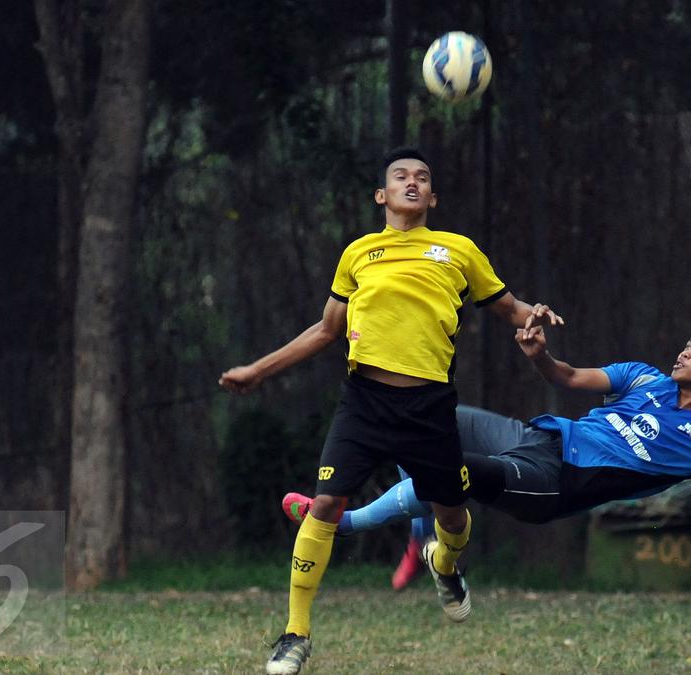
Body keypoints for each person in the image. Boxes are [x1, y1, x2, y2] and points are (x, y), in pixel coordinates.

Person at [220, 146, 564, 675]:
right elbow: (326, 331)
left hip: (429, 407)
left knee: (451, 512)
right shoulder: (359, 253)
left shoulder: (458, 251)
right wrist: (258, 370)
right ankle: (295, 633)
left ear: (432, 196)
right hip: (364, 401)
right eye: (400, 177)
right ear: (381, 195)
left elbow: (510, 308)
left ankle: (445, 566)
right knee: (327, 503)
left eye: (422, 178)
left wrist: (532, 314)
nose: (412, 183)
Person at [283, 322, 691, 585]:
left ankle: (345, 522)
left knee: (448, 474)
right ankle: (429, 548)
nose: (683, 352)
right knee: (426, 417)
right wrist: (540, 353)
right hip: (535, 436)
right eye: (687, 343)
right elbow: (566, 374)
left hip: (551, 484)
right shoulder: (644, 378)